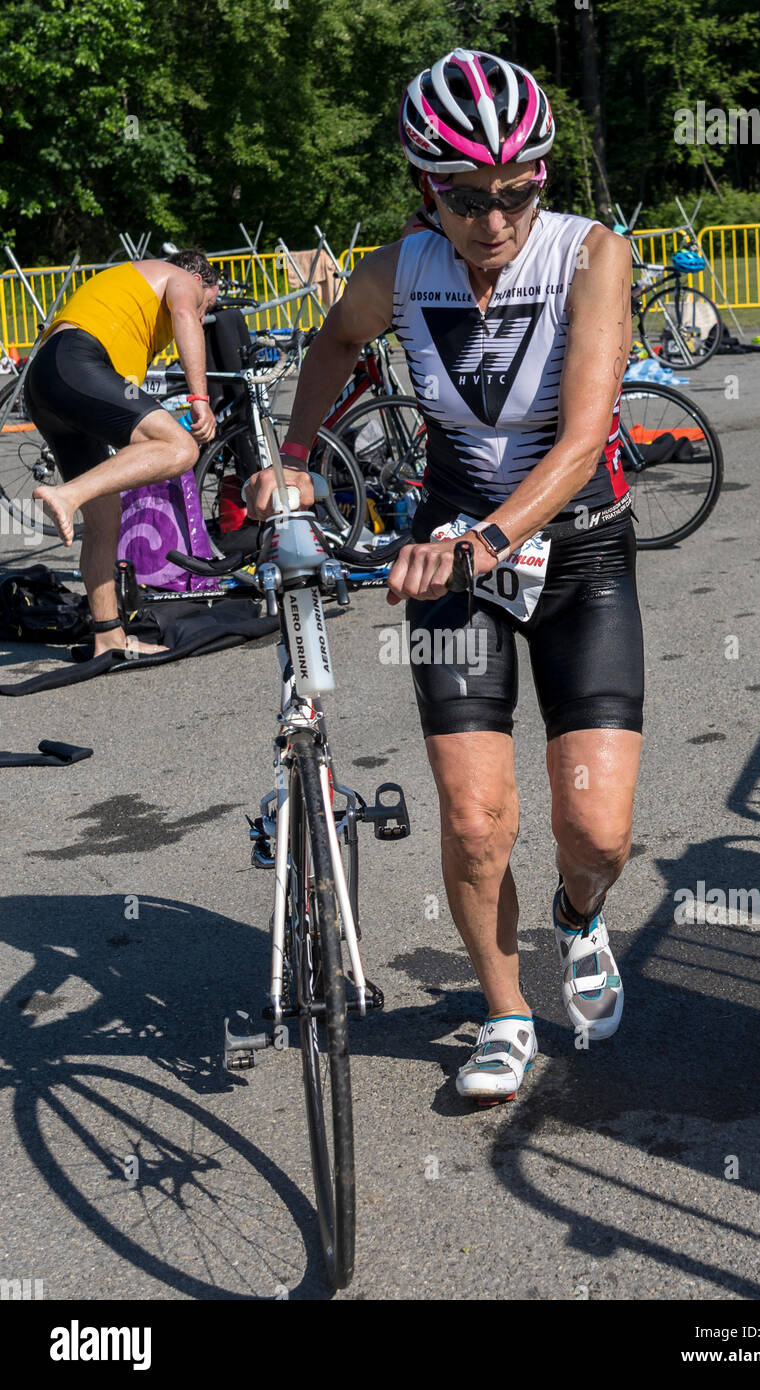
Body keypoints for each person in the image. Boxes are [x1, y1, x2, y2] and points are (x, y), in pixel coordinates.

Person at [246, 47, 643, 1103]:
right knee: (474, 820)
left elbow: (580, 437)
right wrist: (291, 463)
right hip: (451, 550)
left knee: (594, 829)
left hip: (577, 547)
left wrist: (482, 540)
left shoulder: (591, 255)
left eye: (517, 192)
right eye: (467, 199)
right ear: (428, 190)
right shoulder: (395, 271)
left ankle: (577, 915)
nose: (496, 219)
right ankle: (505, 1012)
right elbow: (332, 343)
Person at [24, 250, 220, 655]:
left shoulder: (134, 302)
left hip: (47, 381)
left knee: (105, 517)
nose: (202, 318)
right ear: (200, 282)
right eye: (208, 308)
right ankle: (66, 495)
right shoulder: (179, 278)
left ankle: (108, 636)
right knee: (180, 447)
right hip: (76, 361)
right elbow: (185, 317)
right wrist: (200, 397)